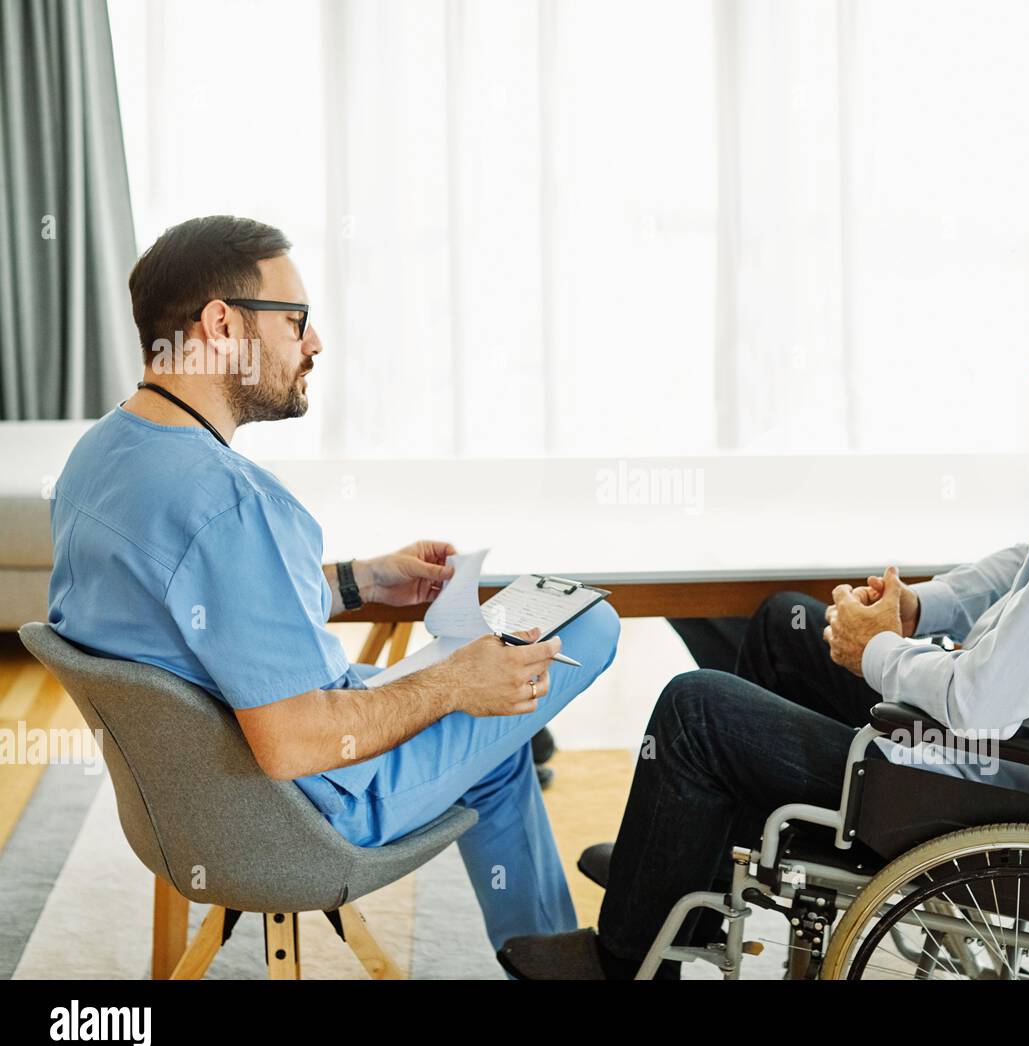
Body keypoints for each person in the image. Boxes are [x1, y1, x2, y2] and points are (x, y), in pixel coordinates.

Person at [497, 265, 1029, 979]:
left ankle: (621, 959)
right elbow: (1023, 567)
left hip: (982, 785)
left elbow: (982, 700)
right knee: (786, 624)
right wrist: (916, 609)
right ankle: (691, 867)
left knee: (697, 710)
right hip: (1013, 758)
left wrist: (876, 649)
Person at [47, 215, 620, 955]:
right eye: (296, 321)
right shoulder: (233, 504)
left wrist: (359, 580)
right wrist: (453, 686)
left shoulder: (99, 460)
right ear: (221, 324)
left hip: (189, 801)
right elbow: (290, 742)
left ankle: (547, 959)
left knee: (501, 755)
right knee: (591, 624)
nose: (313, 344)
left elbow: (200, 614)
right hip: (314, 800)